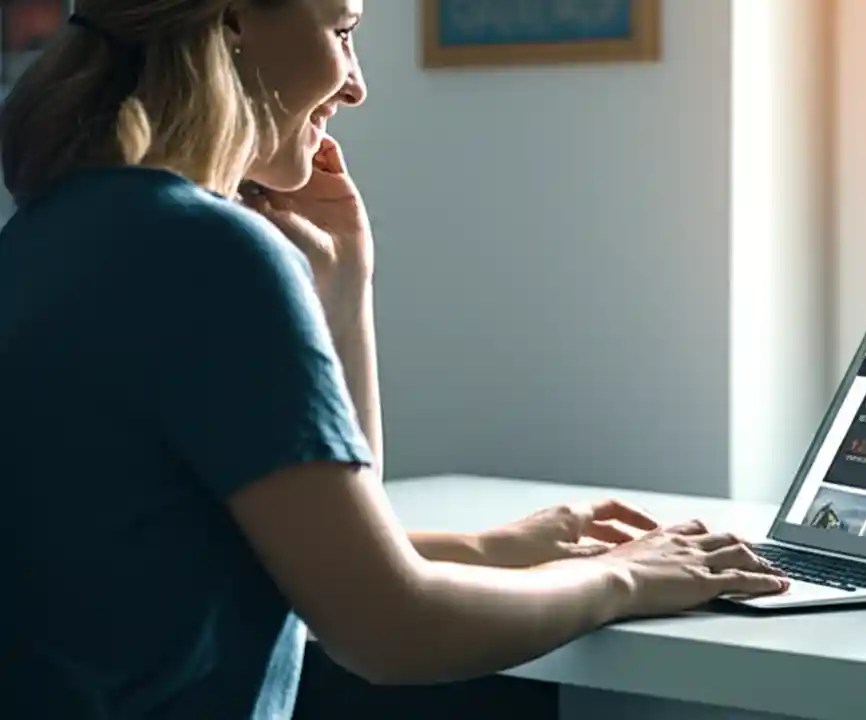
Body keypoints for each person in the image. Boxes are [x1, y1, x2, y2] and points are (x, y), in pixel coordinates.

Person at [0, 1, 788, 717]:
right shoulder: (205, 251)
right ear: (232, 23)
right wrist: (629, 578)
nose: (356, 86)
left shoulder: (51, 233)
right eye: (342, 33)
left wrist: (342, 286)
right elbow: (388, 629)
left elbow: (307, 548)